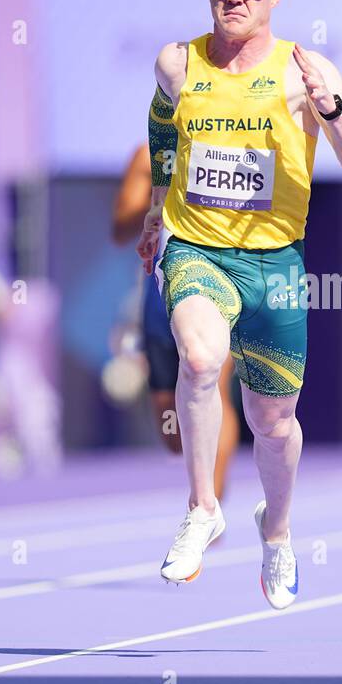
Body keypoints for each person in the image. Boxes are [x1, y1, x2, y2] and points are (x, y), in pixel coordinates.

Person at [138, 0, 342, 608]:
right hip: (197, 248)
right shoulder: (177, 63)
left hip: (275, 263)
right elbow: (161, 124)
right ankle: (202, 506)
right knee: (199, 353)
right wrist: (160, 204)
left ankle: (275, 531)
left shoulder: (306, 73)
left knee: (273, 423)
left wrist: (330, 108)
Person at [112, 143, 241, 501]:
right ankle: (208, 479)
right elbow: (120, 228)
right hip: (161, 289)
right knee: (173, 434)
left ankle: (205, 508)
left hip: (218, 275)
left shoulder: (228, 147)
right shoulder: (149, 155)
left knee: (213, 381)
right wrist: (163, 199)